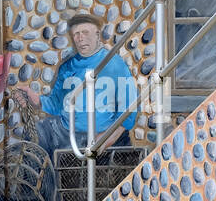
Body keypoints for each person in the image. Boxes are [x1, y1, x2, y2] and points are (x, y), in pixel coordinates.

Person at [17, 12, 137, 154]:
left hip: (101, 134)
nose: (80, 38)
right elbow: (56, 104)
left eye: (85, 32)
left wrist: (107, 138)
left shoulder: (114, 63)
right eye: (76, 34)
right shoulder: (67, 67)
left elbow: (130, 108)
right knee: (37, 132)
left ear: (97, 35)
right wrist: (36, 100)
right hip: (67, 133)